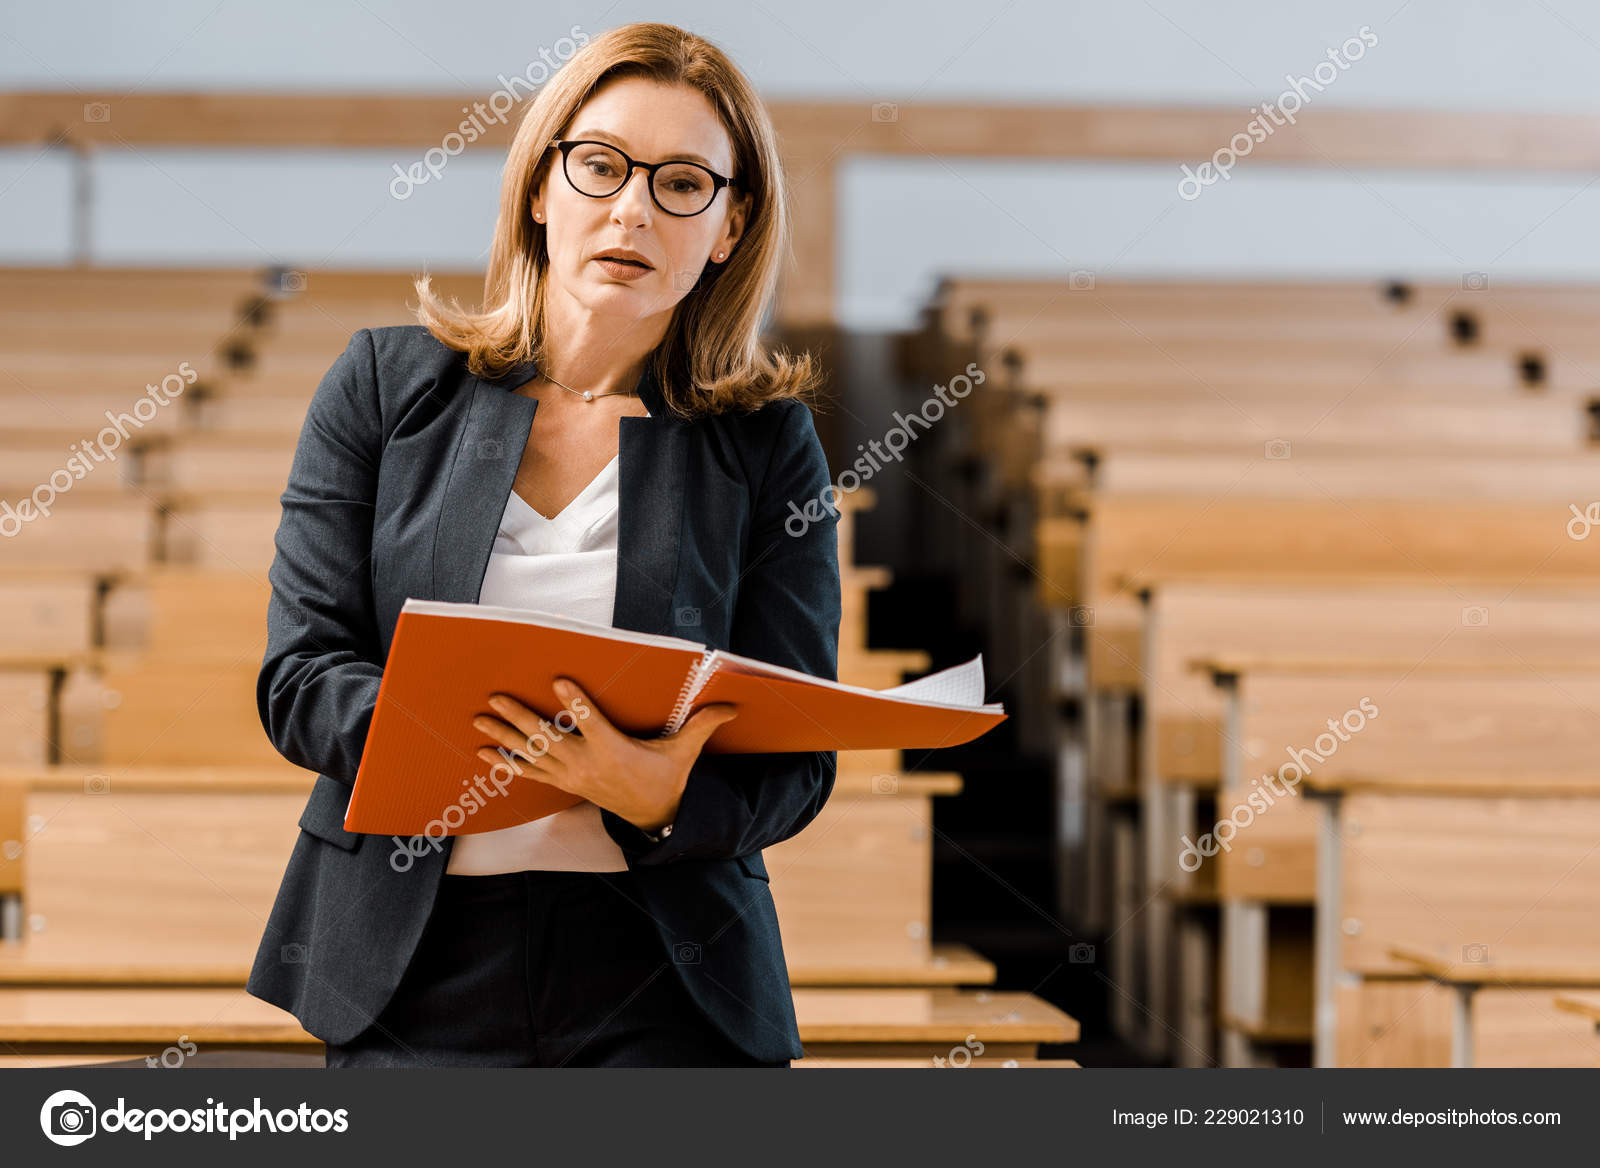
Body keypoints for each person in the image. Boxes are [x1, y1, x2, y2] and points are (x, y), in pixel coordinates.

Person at [245, 21, 841, 1068]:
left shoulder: (762, 441)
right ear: (539, 187)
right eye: (601, 165)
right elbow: (299, 678)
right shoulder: (384, 389)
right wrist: (467, 726)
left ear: (730, 224)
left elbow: (795, 754)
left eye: (683, 183)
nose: (631, 209)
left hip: (666, 969)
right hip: (411, 962)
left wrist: (665, 797)